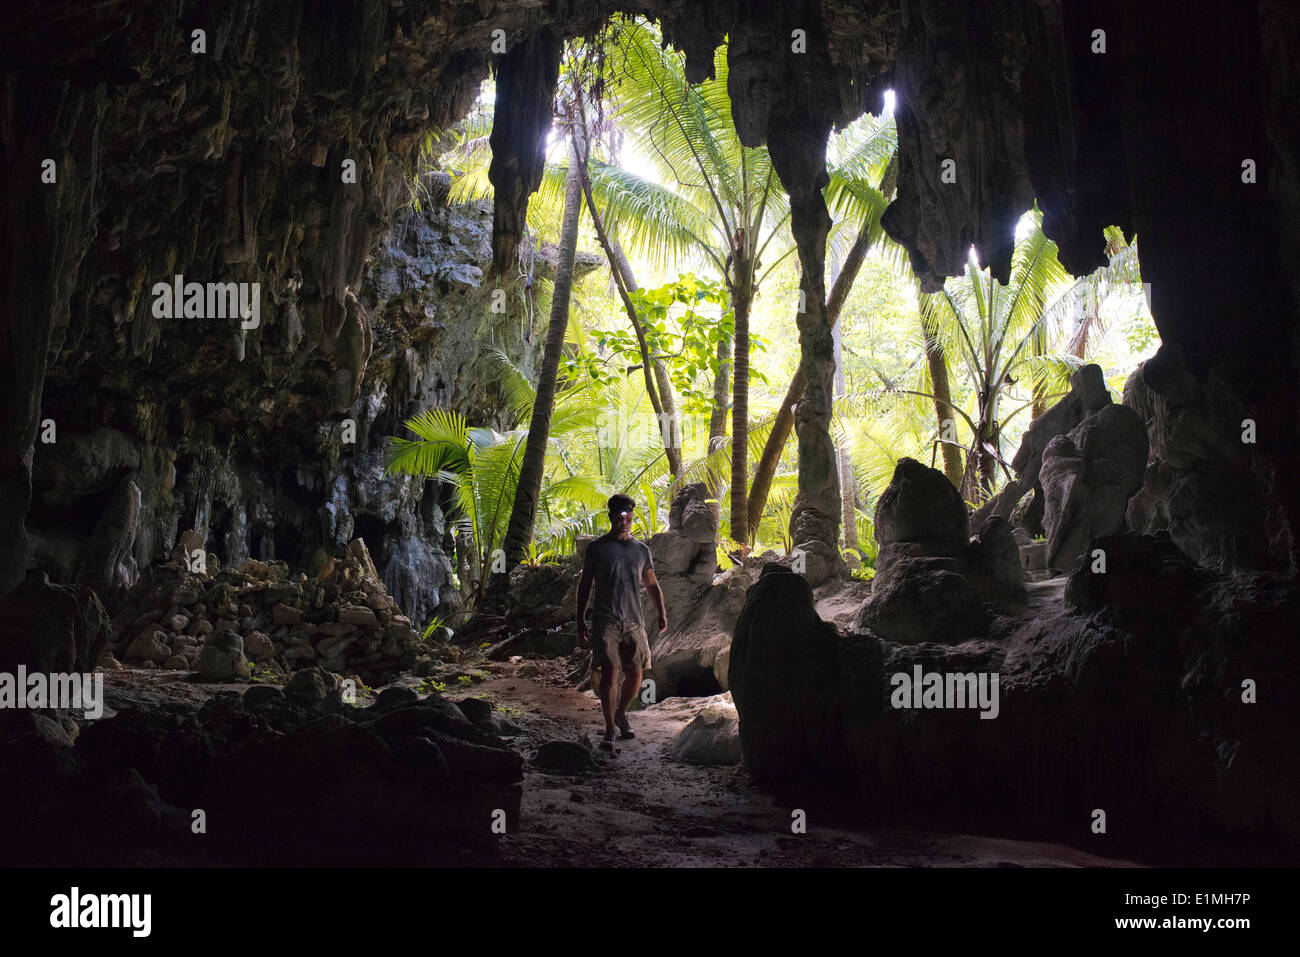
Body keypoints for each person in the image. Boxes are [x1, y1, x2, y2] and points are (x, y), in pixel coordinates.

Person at [575, 493, 667, 751]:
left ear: (632, 517)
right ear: (611, 517)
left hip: (634, 621)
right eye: (619, 517)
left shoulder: (641, 551)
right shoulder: (597, 549)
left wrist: (661, 612)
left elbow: (652, 584)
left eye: (627, 517)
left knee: (636, 674)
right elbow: (584, 585)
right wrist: (580, 618)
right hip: (606, 621)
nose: (624, 521)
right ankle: (609, 728)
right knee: (609, 673)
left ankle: (621, 713)